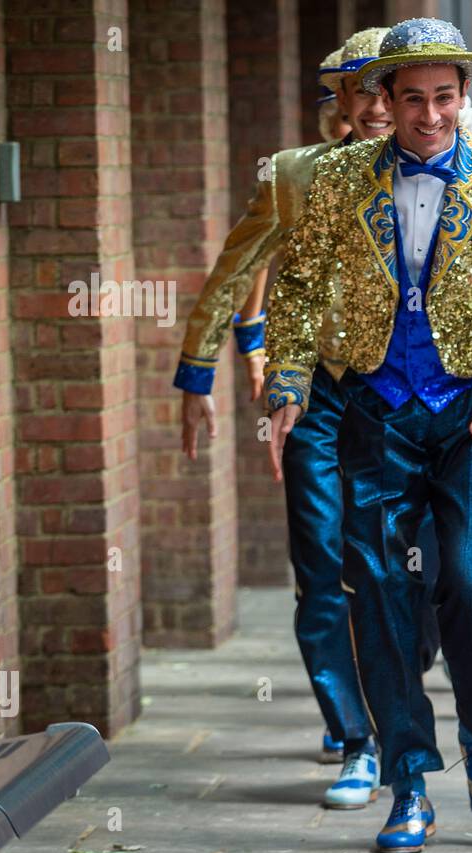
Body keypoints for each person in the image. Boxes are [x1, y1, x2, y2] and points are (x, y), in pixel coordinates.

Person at [263, 18, 472, 853]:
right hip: (376, 410)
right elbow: (290, 286)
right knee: (379, 592)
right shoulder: (336, 183)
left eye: (444, 97)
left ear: (464, 97)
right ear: (383, 101)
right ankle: (406, 781)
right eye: (411, 100)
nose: (429, 115)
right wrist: (287, 378)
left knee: (466, 583)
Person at [174, 29, 391, 811]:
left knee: (412, 570)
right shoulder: (295, 175)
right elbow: (237, 265)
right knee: (322, 564)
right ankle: (357, 738)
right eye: (356, 90)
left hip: (412, 400)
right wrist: (201, 369)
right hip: (314, 394)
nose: (373, 105)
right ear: (336, 102)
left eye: (385, 87)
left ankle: (395, 699)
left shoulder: (454, 170)